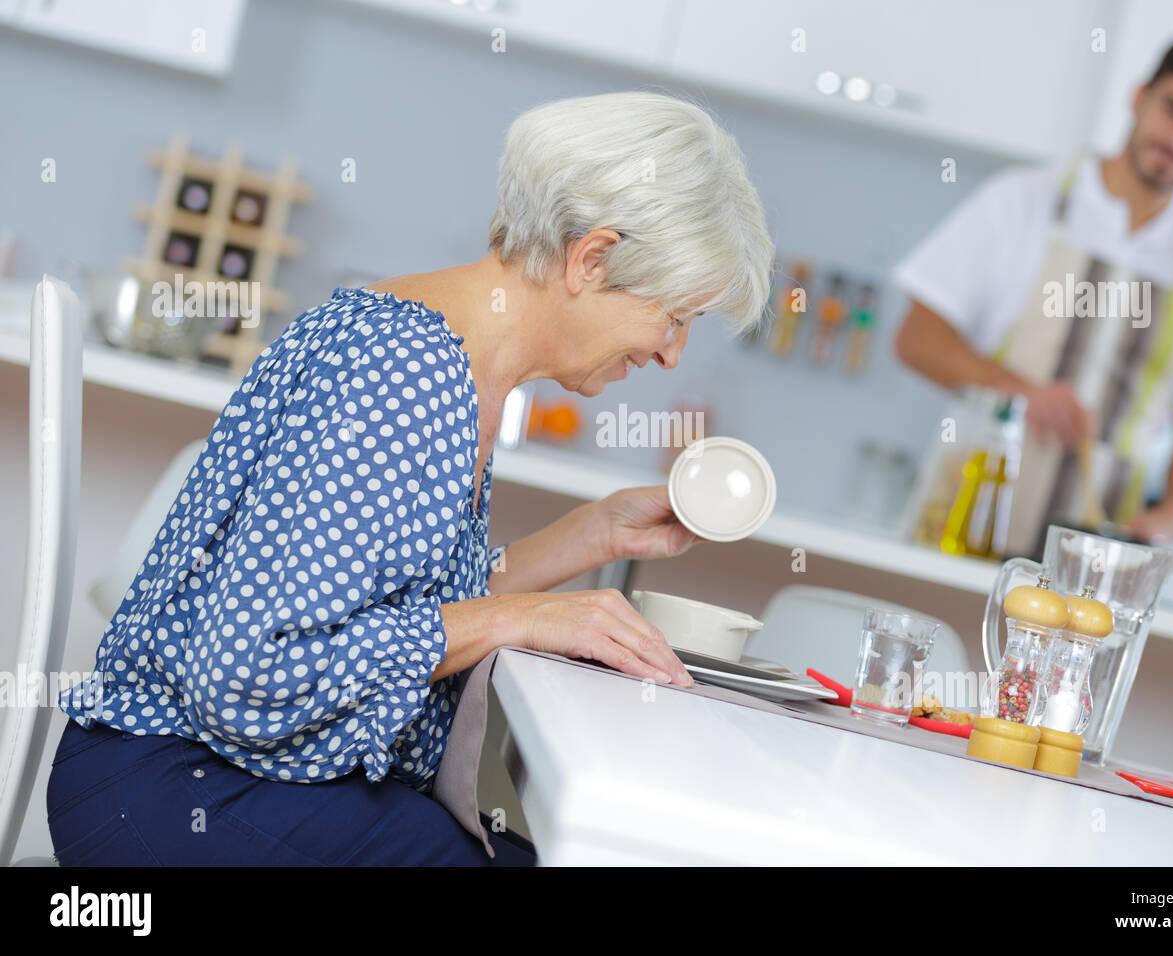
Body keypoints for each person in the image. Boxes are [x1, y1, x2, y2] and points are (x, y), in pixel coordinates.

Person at [46, 91, 774, 865]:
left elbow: (391, 604)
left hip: (227, 779)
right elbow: (249, 669)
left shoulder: (457, 359)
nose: (672, 355)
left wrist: (591, 534)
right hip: (180, 789)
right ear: (590, 259)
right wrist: (517, 619)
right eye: (675, 316)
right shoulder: (406, 374)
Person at [893, 30, 1173, 551]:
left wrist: (1170, 517)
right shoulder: (1020, 202)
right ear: (1139, 97)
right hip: (960, 526)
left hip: (1093, 567)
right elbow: (916, 340)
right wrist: (1023, 393)